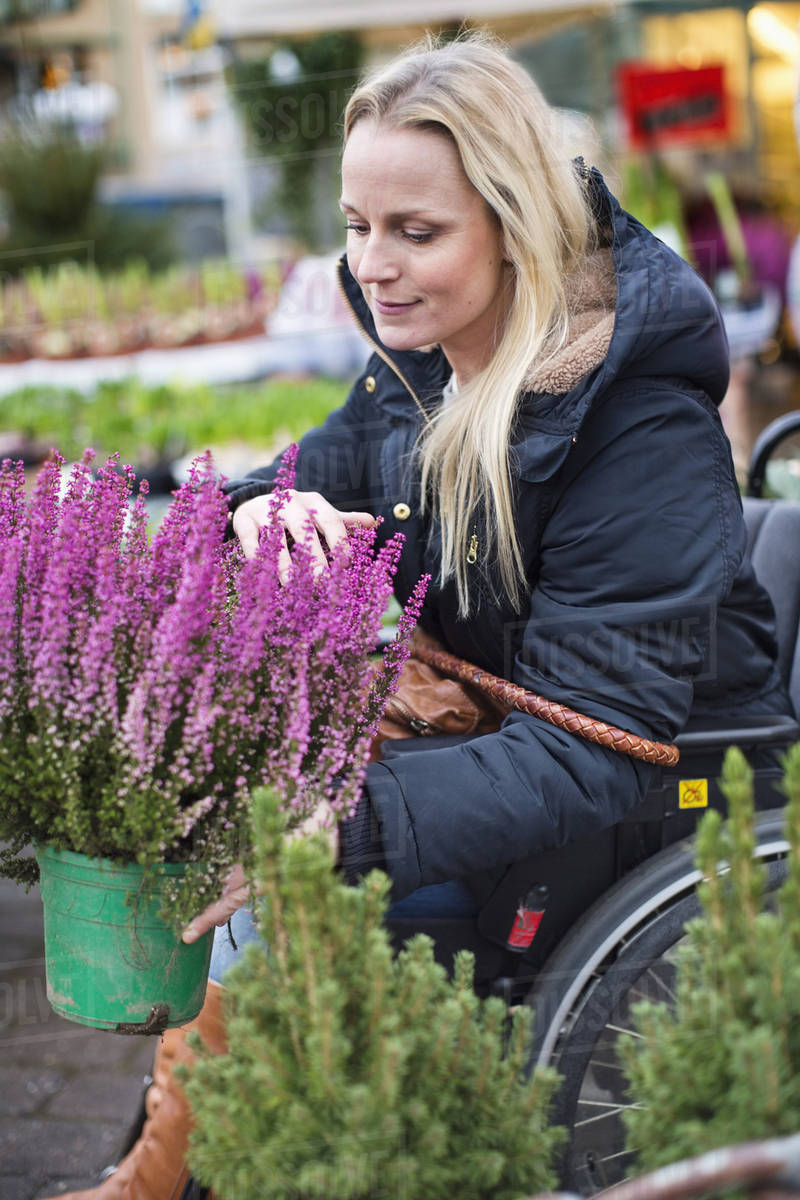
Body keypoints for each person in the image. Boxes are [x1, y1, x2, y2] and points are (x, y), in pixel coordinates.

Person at [53, 33, 791, 1200]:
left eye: (415, 231)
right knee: (231, 849)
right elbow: (276, 480)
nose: (373, 265)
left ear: (512, 222)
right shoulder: (418, 369)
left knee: (281, 891)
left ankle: (172, 1175)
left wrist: (339, 825)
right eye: (355, 225)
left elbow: (595, 747)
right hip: (490, 746)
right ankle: (174, 1165)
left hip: (649, 797)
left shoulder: (638, 427)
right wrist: (257, 511)